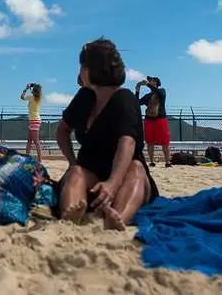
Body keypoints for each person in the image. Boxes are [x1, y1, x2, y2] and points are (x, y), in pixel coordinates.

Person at [56, 38, 158, 231]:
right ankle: (71, 216)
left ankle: (118, 217)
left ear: (88, 69)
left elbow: (127, 142)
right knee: (76, 173)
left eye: (81, 66)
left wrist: (112, 183)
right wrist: (72, 162)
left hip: (124, 179)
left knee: (136, 168)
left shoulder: (124, 99)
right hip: (92, 176)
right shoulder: (84, 98)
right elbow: (62, 130)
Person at [135, 76, 171, 168]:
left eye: (152, 80)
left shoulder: (161, 91)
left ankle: (167, 162)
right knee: (150, 141)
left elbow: (158, 92)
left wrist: (147, 84)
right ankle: (151, 161)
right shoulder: (148, 96)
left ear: (157, 83)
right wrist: (137, 90)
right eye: (150, 80)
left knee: (165, 142)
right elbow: (137, 103)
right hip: (149, 120)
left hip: (161, 119)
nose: (150, 81)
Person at [20, 83, 43, 162]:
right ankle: (26, 157)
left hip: (34, 120)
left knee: (36, 141)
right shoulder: (38, 97)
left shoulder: (31, 97)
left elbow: (22, 97)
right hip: (35, 120)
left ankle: (40, 160)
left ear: (33, 90)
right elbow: (36, 89)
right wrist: (32, 86)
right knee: (29, 140)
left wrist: (26, 88)